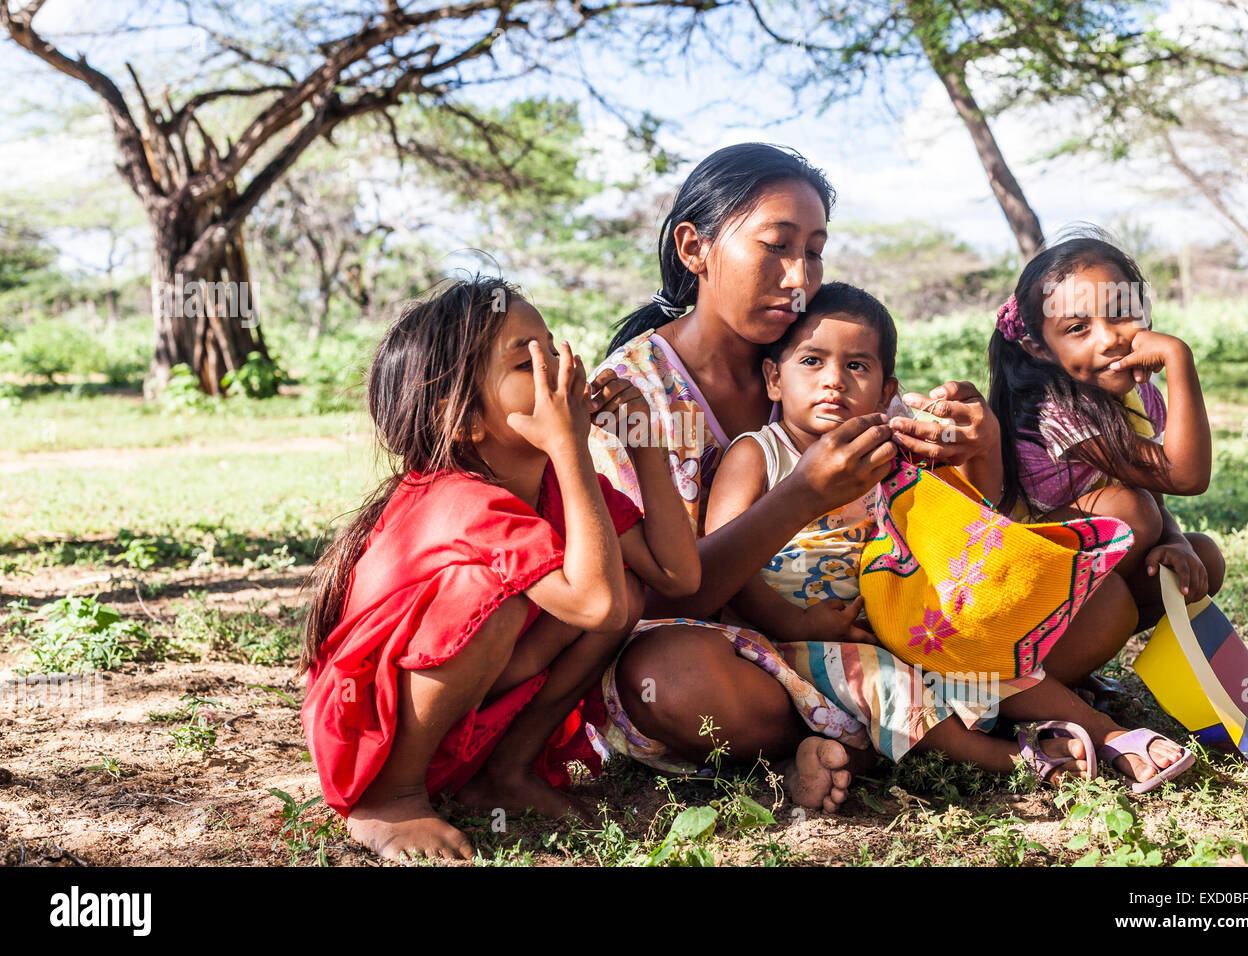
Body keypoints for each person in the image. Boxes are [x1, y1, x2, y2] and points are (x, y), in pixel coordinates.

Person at [586, 144, 1185, 811]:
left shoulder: (825, 344)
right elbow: (643, 600)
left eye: (814, 251)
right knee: (669, 682)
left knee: (1101, 600)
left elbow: (957, 512)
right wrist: (802, 498)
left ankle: (863, 737)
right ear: (695, 248)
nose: (798, 277)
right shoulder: (631, 395)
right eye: (777, 247)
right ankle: (930, 726)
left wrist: (973, 443)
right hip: (734, 654)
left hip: (880, 627)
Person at [704, 281, 1192, 791]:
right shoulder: (758, 454)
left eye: (857, 366)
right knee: (885, 681)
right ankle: (1017, 759)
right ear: (773, 378)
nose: (834, 381)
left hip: (895, 625)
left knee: (979, 654)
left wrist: (977, 450)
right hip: (795, 639)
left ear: (887, 392)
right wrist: (797, 622)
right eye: (811, 361)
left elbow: (968, 520)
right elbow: (730, 568)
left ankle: (1110, 735)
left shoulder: (891, 454)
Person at [298, 276, 699, 861]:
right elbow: (597, 607)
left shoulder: (559, 491)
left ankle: (504, 776)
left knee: (627, 585)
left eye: (552, 347)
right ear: (463, 422)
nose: (559, 369)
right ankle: (391, 800)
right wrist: (569, 449)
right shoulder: (460, 500)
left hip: (471, 727)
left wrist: (644, 444)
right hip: (371, 738)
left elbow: (674, 576)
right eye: (525, 363)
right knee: (497, 593)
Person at [987, 232, 1226, 632]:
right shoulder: (1056, 410)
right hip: (1017, 584)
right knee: (1130, 511)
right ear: (1040, 348)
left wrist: (1176, 540)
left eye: (1120, 314)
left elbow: (1155, 490)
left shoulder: (1138, 393)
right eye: (1079, 327)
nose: (1110, 339)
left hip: (1079, 575)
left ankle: (1083, 653)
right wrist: (1178, 356)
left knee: (1201, 559)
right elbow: (1186, 475)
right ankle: (1050, 666)